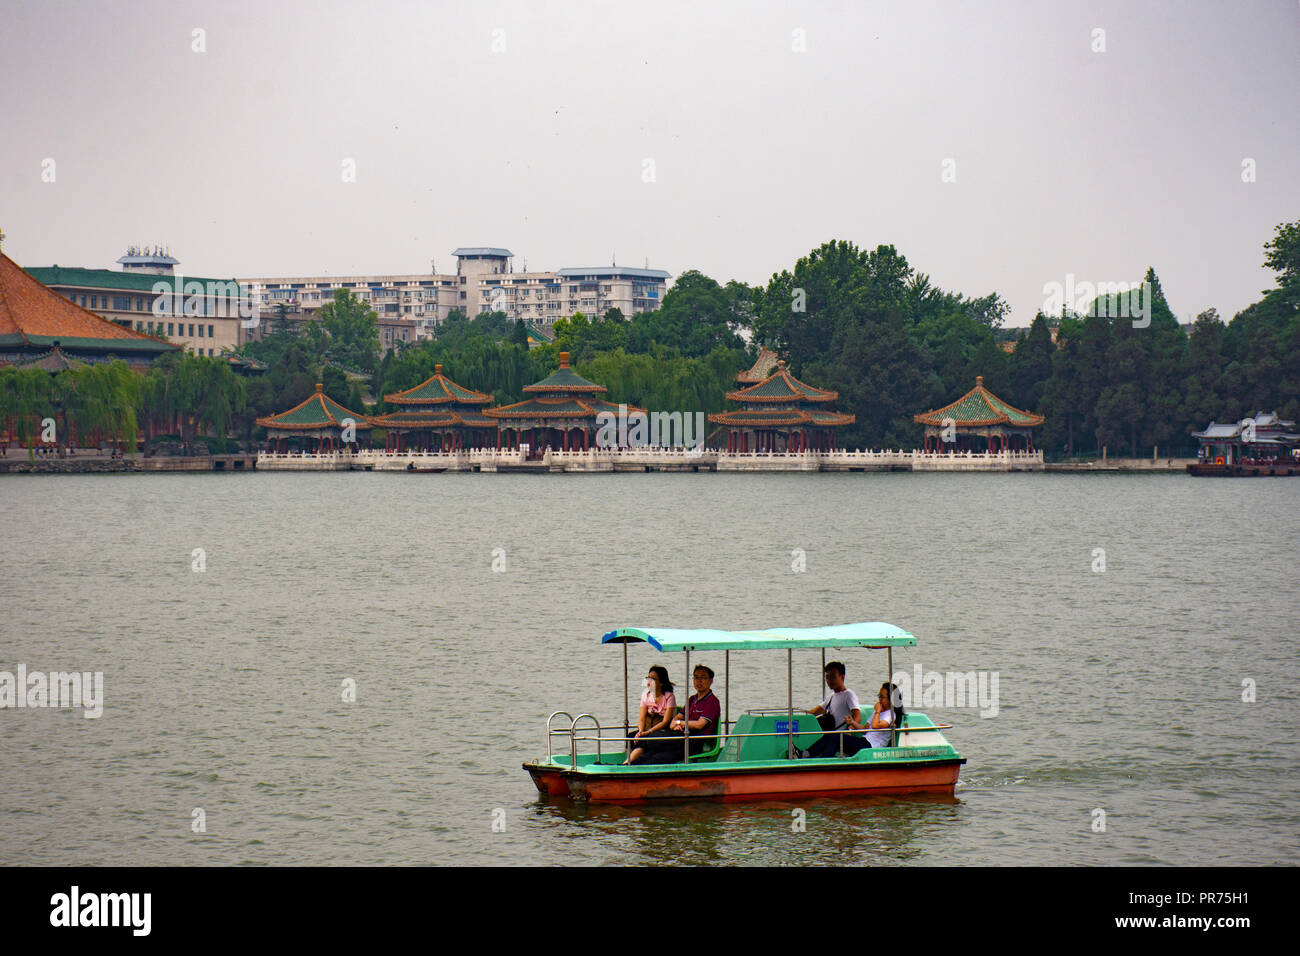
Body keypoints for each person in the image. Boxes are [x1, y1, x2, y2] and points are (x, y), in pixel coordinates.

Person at [639, 665, 722, 764]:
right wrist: (676, 725)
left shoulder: (712, 701)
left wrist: (680, 723)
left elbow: (699, 724)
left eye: (703, 678)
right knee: (653, 743)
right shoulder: (692, 699)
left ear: (710, 681)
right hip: (682, 736)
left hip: (696, 740)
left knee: (655, 744)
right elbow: (675, 720)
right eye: (696, 677)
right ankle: (628, 766)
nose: (699, 681)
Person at [794, 661, 866, 758]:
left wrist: (850, 729)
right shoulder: (831, 697)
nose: (829, 680)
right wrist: (798, 716)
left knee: (831, 738)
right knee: (828, 737)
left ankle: (806, 755)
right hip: (832, 735)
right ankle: (804, 754)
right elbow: (814, 712)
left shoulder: (849, 695)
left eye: (833, 677)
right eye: (827, 677)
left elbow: (858, 716)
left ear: (842, 677)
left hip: (842, 737)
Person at [623, 666, 677, 764]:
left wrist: (647, 733)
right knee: (631, 736)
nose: (649, 681)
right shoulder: (645, 695)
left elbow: (665, 722)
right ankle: (631, 760)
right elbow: (642, 718)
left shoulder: (669, 697)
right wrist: (640, 731)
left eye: (653, 679)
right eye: (648, 678)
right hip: (648, 727)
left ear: (661, 682)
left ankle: (627, 763)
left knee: (645, 740)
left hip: (662, 730)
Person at [845, 682, 904, 750]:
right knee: (838, 737)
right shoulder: (877, 712)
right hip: (864, 741)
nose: (879, 699)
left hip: (872, 746)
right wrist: (852, 722)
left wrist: (877, 711)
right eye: (879, 696)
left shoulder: (891, 715)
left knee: (837, 739)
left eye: (882, 697)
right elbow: (865, 729)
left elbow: (875, 726)